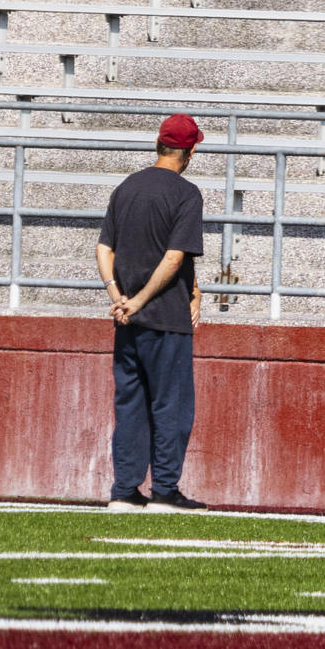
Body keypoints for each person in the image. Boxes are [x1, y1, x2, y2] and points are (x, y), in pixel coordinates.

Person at [97, 114, 209, 512]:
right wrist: (143, 300)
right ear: (190, 151)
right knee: (171, 406)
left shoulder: (127, 187)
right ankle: (164, 490)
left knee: (130, 404)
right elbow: (175, 257)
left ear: (158, 144)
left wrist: (119, 297)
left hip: (127, 319)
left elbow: (104, 248)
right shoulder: (187, 194)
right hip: (165, 317)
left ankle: (125, 491)